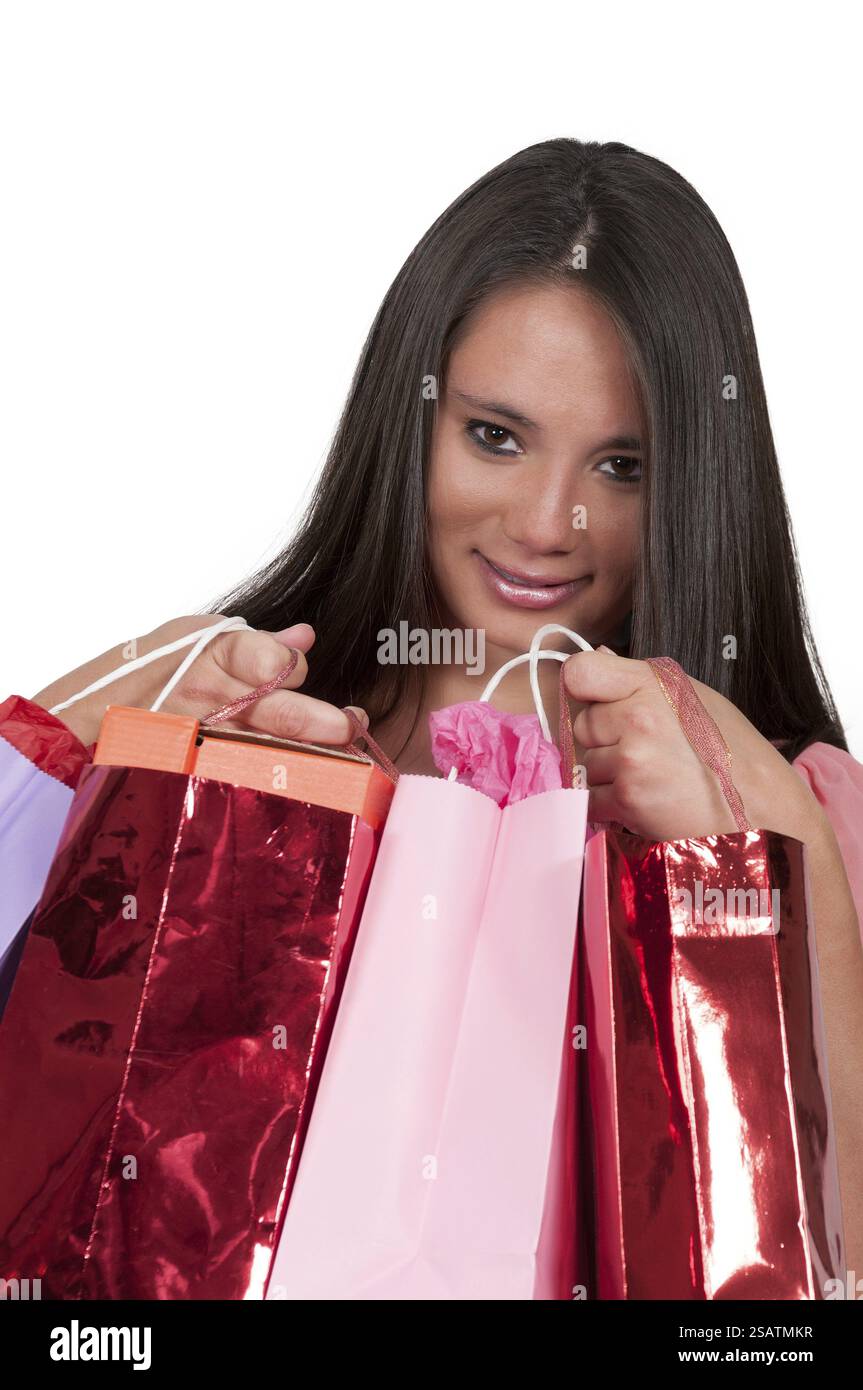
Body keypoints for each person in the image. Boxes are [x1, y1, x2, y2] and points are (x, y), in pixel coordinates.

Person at [13, 137, 863, 1277]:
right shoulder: (223, 735)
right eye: (494, 436)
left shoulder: (790, 800)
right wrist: (64, 743)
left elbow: (824, 1261)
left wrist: (758, 866)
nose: (545, 523)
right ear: (404, 420)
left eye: (622, 466)